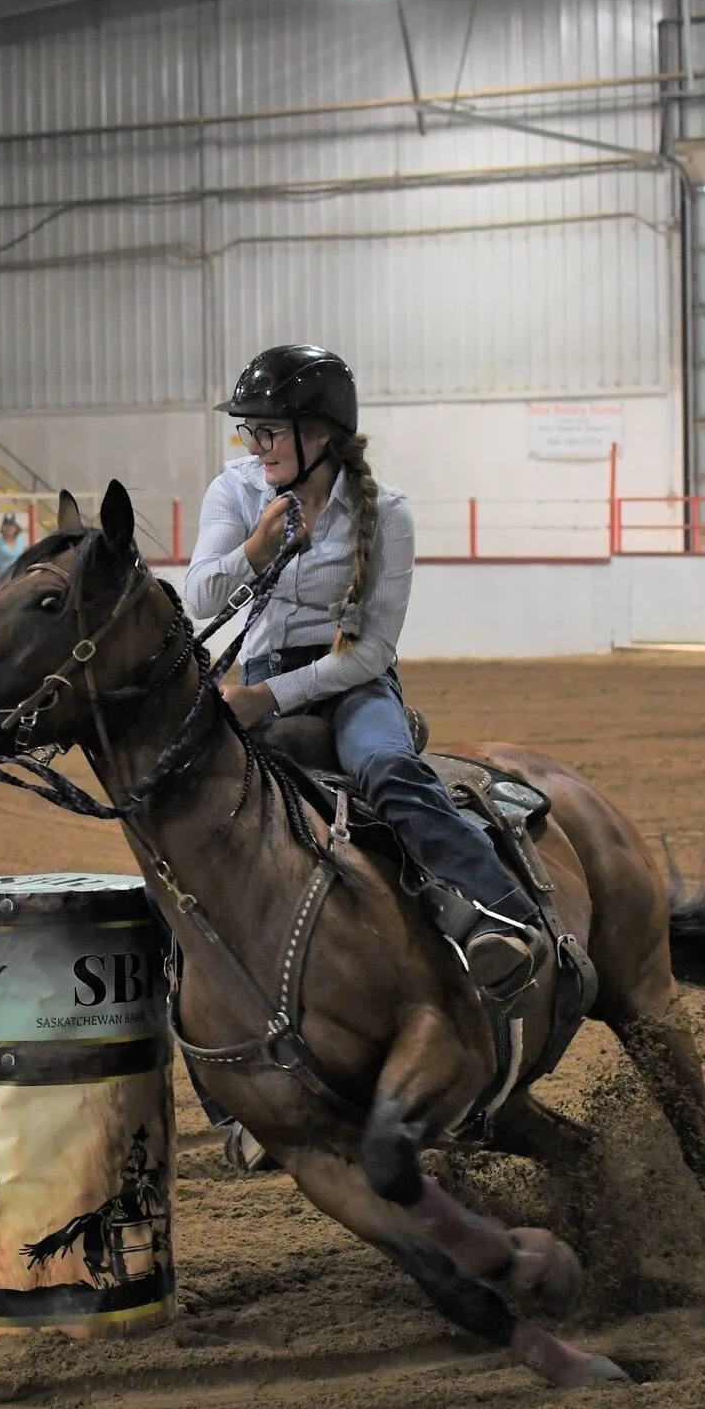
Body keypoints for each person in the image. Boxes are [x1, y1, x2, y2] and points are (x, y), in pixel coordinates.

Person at [186, 343, 545, 1007]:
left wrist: (265, 697)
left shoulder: (390, 514)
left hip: (351, 684)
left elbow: (371, 652)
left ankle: (505, 913)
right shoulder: (234, 491)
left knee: (383, 765)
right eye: (251, 430)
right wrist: (254, 550)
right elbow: (202, 596)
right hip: (258, 678)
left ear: (320, 434)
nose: (257, 444)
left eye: (271, 429)